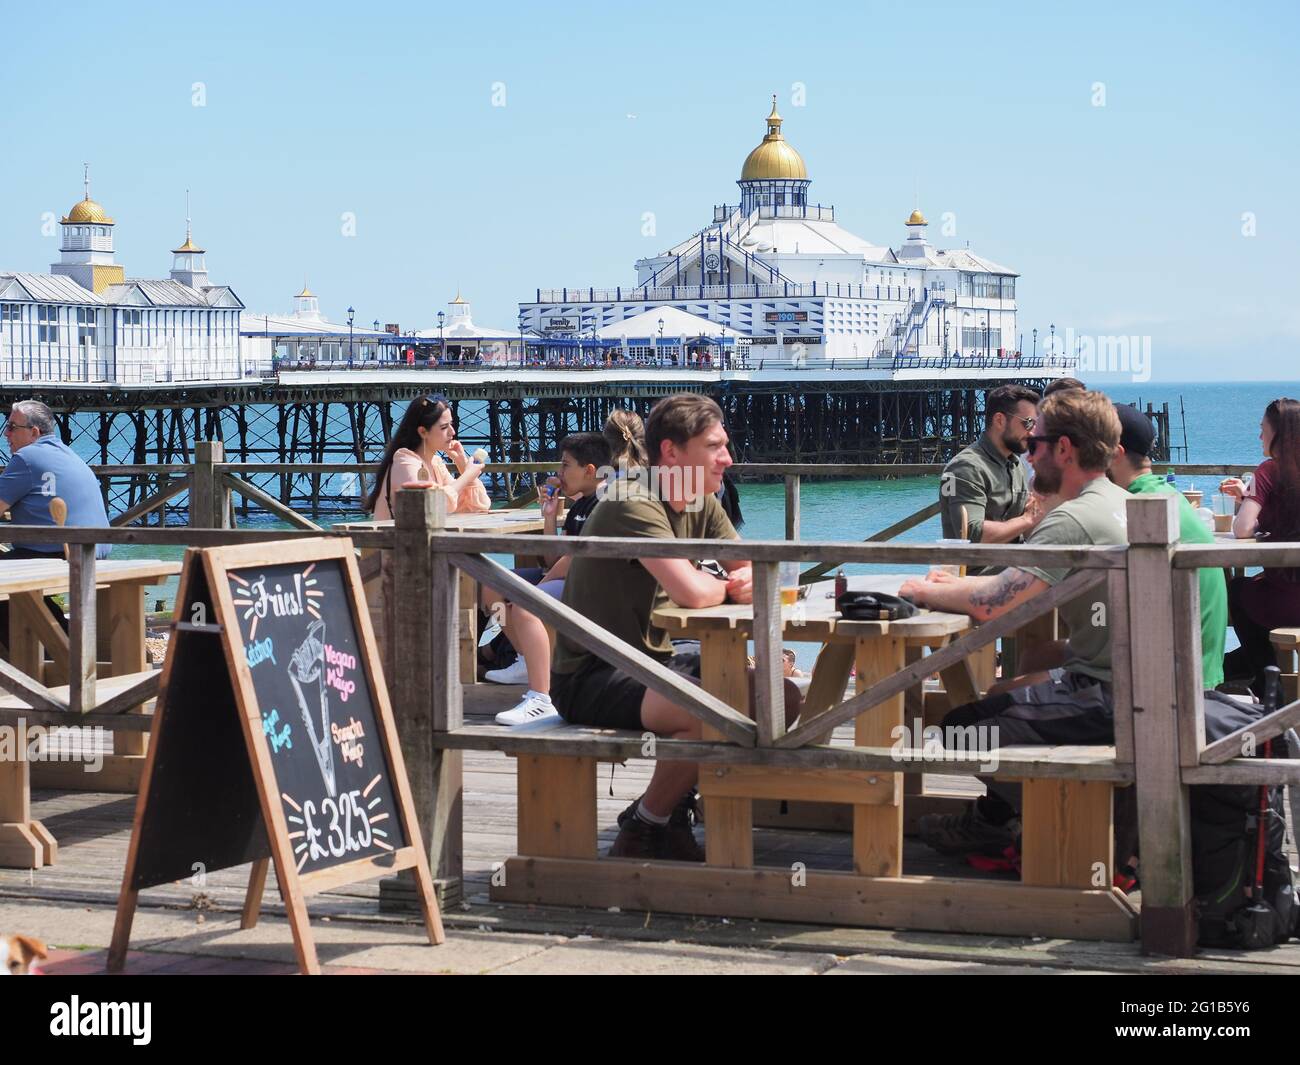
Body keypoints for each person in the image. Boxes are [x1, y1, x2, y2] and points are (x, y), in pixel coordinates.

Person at [551, 393, 800, 860]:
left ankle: (675, 806)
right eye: (714, 447)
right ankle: (646, 826)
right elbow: (691, 592)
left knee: (780, 695)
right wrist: (727, 586)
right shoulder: (632, 499)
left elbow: (748, 566)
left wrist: (732, 580)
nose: (728, 458)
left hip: (656, 662)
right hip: (593, 673)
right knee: (710, 714)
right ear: (671, 452)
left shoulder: (700, 501)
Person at [899, 389, 1130, 857]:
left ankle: (1066, 823)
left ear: (1063, 449)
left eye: (1035, 443)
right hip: (1140, 689)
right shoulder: (1122, 500)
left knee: (958, 729)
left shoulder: (1071, 519)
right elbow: (1008, 588)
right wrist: (960, 585)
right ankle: (1001, 819)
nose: (1028, 455)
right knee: (1003, 695)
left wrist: (923, 591)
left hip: (1108, 698)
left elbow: (993, 603)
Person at [485, 431, 612, 724]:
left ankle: (542, 697)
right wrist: (550, 515)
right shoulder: (580, 503)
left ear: (589, 470)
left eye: (566, 465)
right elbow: (553, 558)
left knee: (526, 606)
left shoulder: (605, 502)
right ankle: (525, 659)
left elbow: (574, 559)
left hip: (588, 586)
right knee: (490, 585)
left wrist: (536, 590)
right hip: (562, 578)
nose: (559, 473)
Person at [1107, 402, 1226, 689]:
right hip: (1199, 670)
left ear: (1115, 454)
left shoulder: (1136, 507)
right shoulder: (1167, 494)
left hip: (1172, 683)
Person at [1219, 398, 1300, 696]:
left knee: (1237, 590)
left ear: (1279, 434)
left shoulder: (1268, 471)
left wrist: (1249, 501)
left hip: (1288, 603)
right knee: (1261, 584)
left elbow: (1242, 529)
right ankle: (1252, 670)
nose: (1259, 436)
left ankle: (1267, 682)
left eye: (1263, 429)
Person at [0, 401, 111, 559]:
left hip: (58, 558)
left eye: (12, 427)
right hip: (96, 558)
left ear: (34, 432)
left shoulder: (27, 457)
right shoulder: (70, 455)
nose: (6, 433)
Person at [939, 384, 1042, 545]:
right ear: (999, 420)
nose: (1033, 432)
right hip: (976, 562)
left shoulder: (1016, 465)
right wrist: (1027, 519)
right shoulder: (964, 468)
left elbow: (1027, 530)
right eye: (1028, 423)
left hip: (1016, 560)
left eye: (1036, 424)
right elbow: (972, 534)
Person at [364, 395, 489, 519]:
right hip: (390, 533)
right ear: (423, 432)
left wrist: (462, 463)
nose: (452, 432)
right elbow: (429, 505)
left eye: (451, 424)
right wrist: (467, 475)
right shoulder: (404, 461)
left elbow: (476, 508)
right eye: (444, 427)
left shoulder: (435, 463)